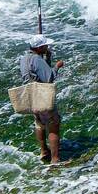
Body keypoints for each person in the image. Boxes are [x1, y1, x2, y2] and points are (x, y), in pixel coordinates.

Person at [20, 34, 64, 163]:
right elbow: (49, 78)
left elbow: (38, 73)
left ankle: (44, 151)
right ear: (39, 48)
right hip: (41, 95)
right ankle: (55, 160)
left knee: (39, 123)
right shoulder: (37, 59)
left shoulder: (24, 58)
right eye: (45, 45)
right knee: (53, 123)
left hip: (31, 95)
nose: (47, 46)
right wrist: (57, 66)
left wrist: (47, 58)